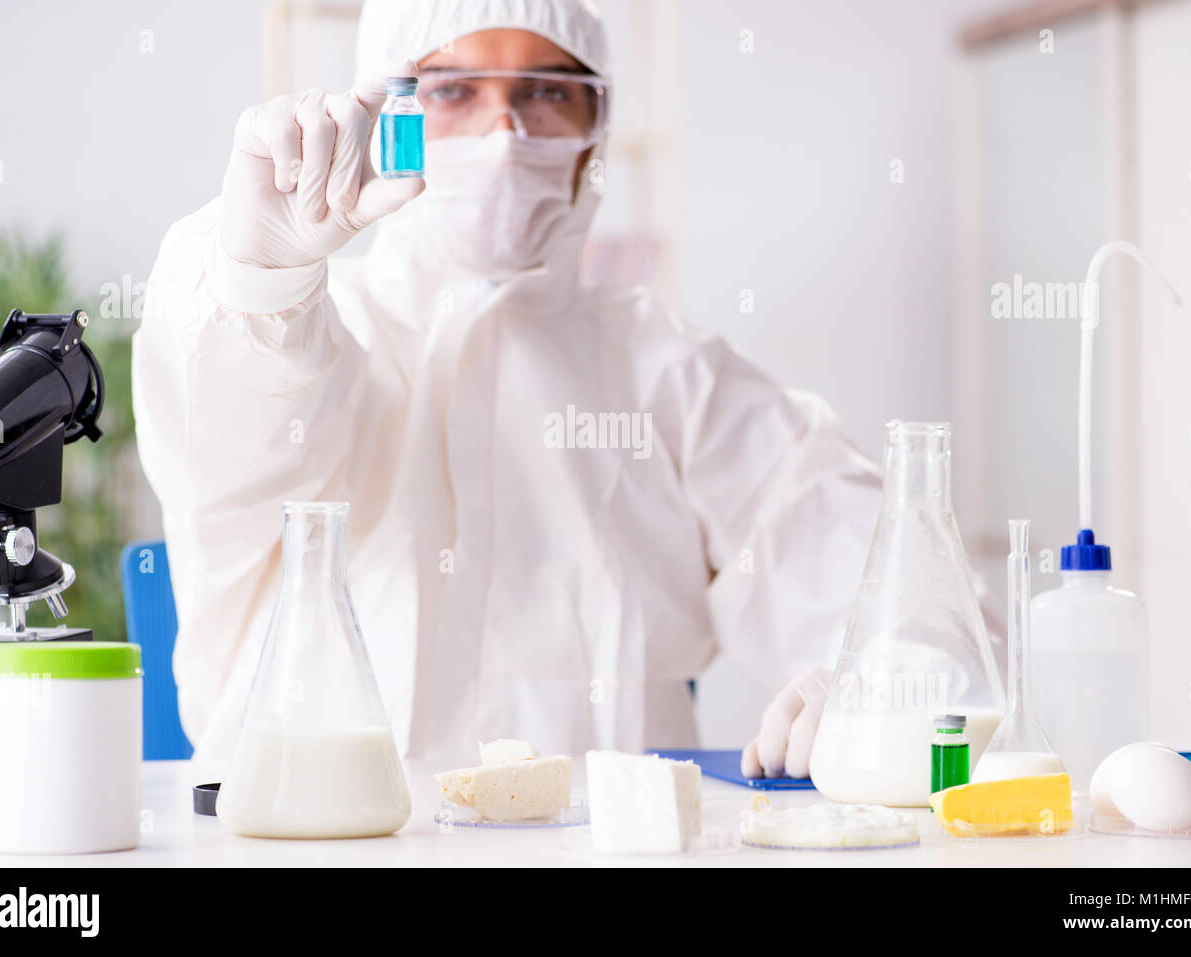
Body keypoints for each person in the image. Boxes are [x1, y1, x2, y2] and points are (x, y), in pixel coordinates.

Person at [133, 0, 881, 777]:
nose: (503, 134)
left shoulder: (671, 373)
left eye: (545, 92)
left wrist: (882, 683)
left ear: (598, 126)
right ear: (383, 113)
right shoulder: (302, 329)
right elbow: (224, 457)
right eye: (453, 90)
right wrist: (259, 284)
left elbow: (877, 575)